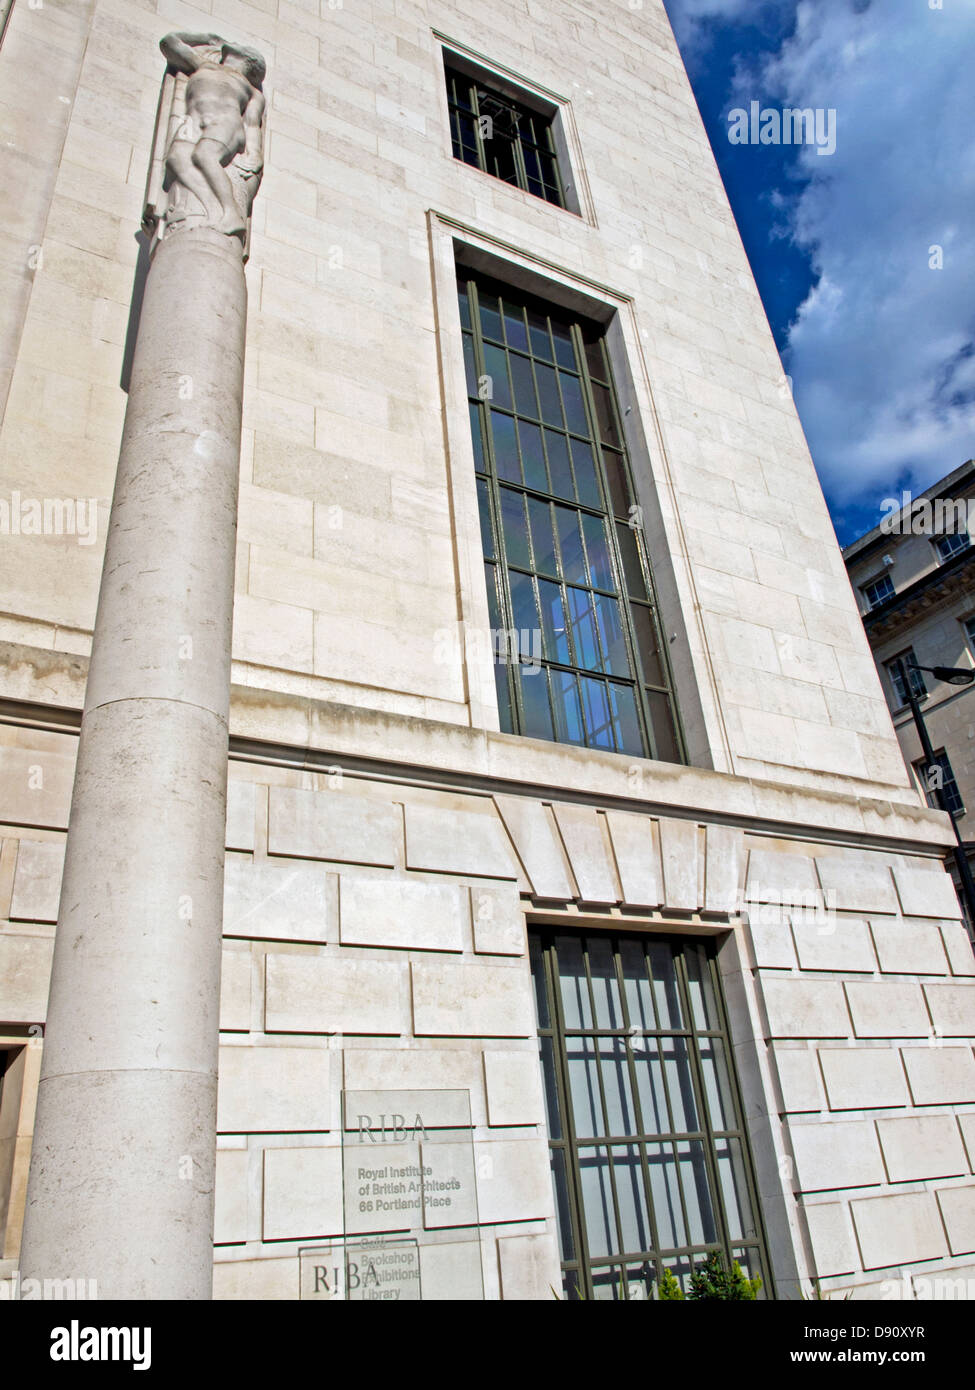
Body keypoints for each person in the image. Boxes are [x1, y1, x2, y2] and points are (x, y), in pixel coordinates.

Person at [159, 32, 266, 238]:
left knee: (204, 155)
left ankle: (230, 211)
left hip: (226, 123)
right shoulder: (203, 65)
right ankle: (216, 210)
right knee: (176, 158)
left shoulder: (252, 91)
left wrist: (254, 152)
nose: (231, 42)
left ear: (249, 60)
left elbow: (252, 125)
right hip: (195, 121)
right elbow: (168, 42)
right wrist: (206, 38)